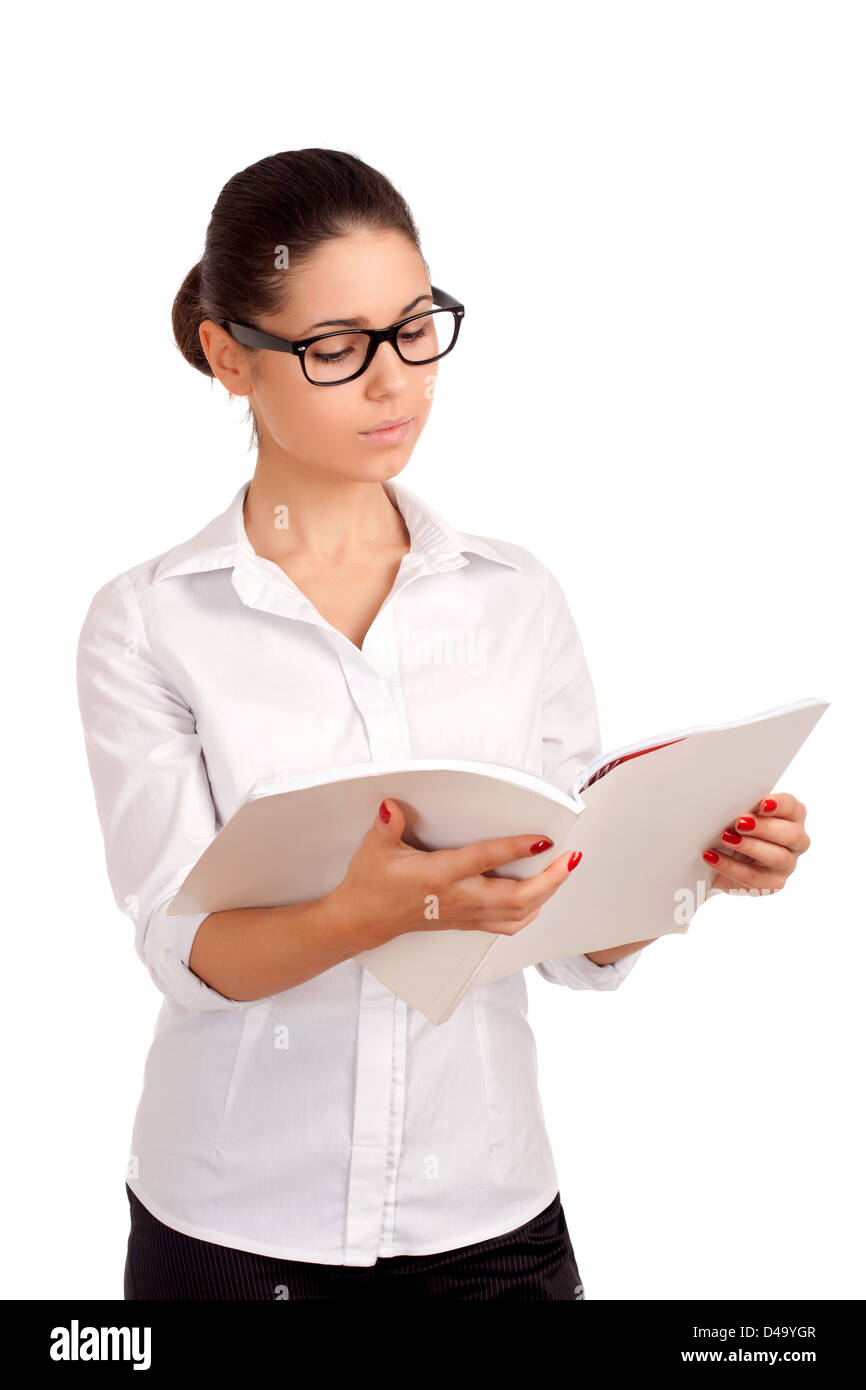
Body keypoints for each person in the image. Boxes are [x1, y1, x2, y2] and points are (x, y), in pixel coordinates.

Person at [75, 148, 812, 1301]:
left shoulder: (511, 596)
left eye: (416, 329)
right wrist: (365, 912)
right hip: (236, 1228)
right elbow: (188, 954)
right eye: (335, 348)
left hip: (488, 1215)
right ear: (229, 356)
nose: (394, 382)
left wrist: (688, 861)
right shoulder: (151, 622)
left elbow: (566, 930)